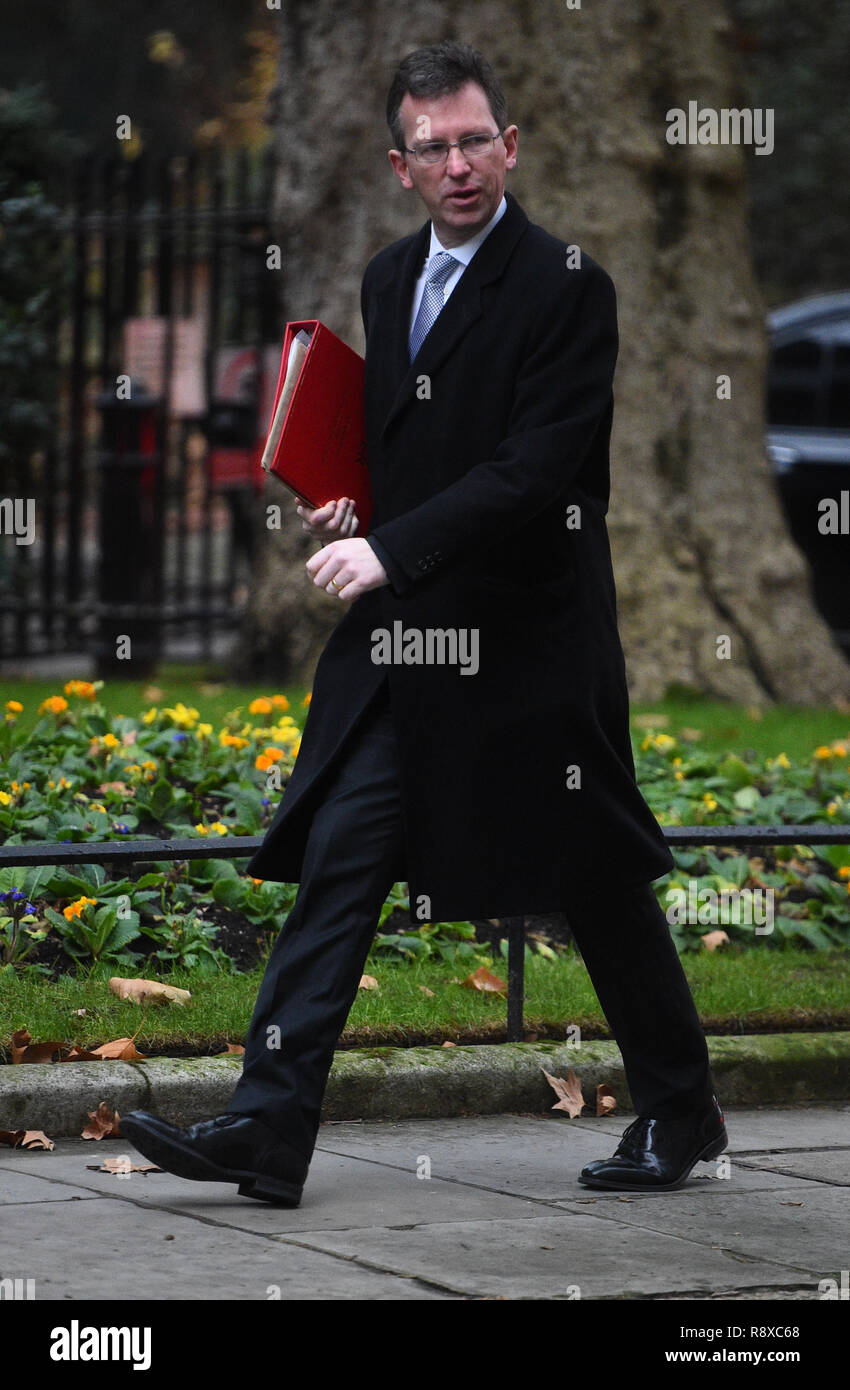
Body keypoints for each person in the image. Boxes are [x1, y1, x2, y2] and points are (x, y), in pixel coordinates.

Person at [122, 41, 727, 1206]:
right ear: (400, 164)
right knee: (343, 856)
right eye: (433, 146)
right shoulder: (391, 278)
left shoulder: (567, 284)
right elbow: (419, 449)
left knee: (594, 870)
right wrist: (360, 498)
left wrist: (390, 544)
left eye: (475, 140)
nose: (459, 164)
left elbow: (534, 469)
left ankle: (680, 1106)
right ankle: (267, 1119)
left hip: (534, 646)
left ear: (513, 145)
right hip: (409, 648)